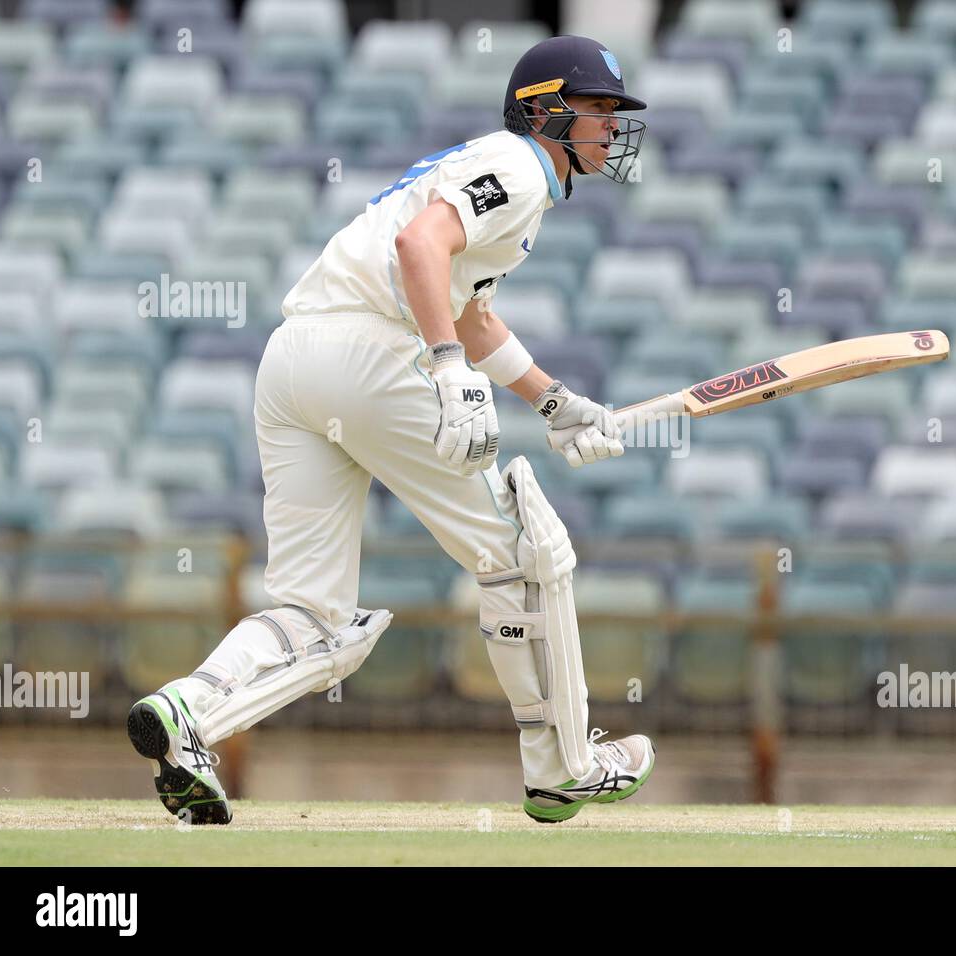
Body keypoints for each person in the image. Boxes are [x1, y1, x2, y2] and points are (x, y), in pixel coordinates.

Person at [126, 35, 654, 825]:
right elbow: (421, 249)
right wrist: (444, 367)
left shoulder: (500, 173)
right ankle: (565, 768)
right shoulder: (516, 165)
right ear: (546, 109)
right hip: (371, 352)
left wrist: (554, 402)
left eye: (615, 112)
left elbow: (471, 312)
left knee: (314, 612)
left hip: (295, 360)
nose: (611, 127)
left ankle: (186, 714)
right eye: (598, 109)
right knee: (524, 553)